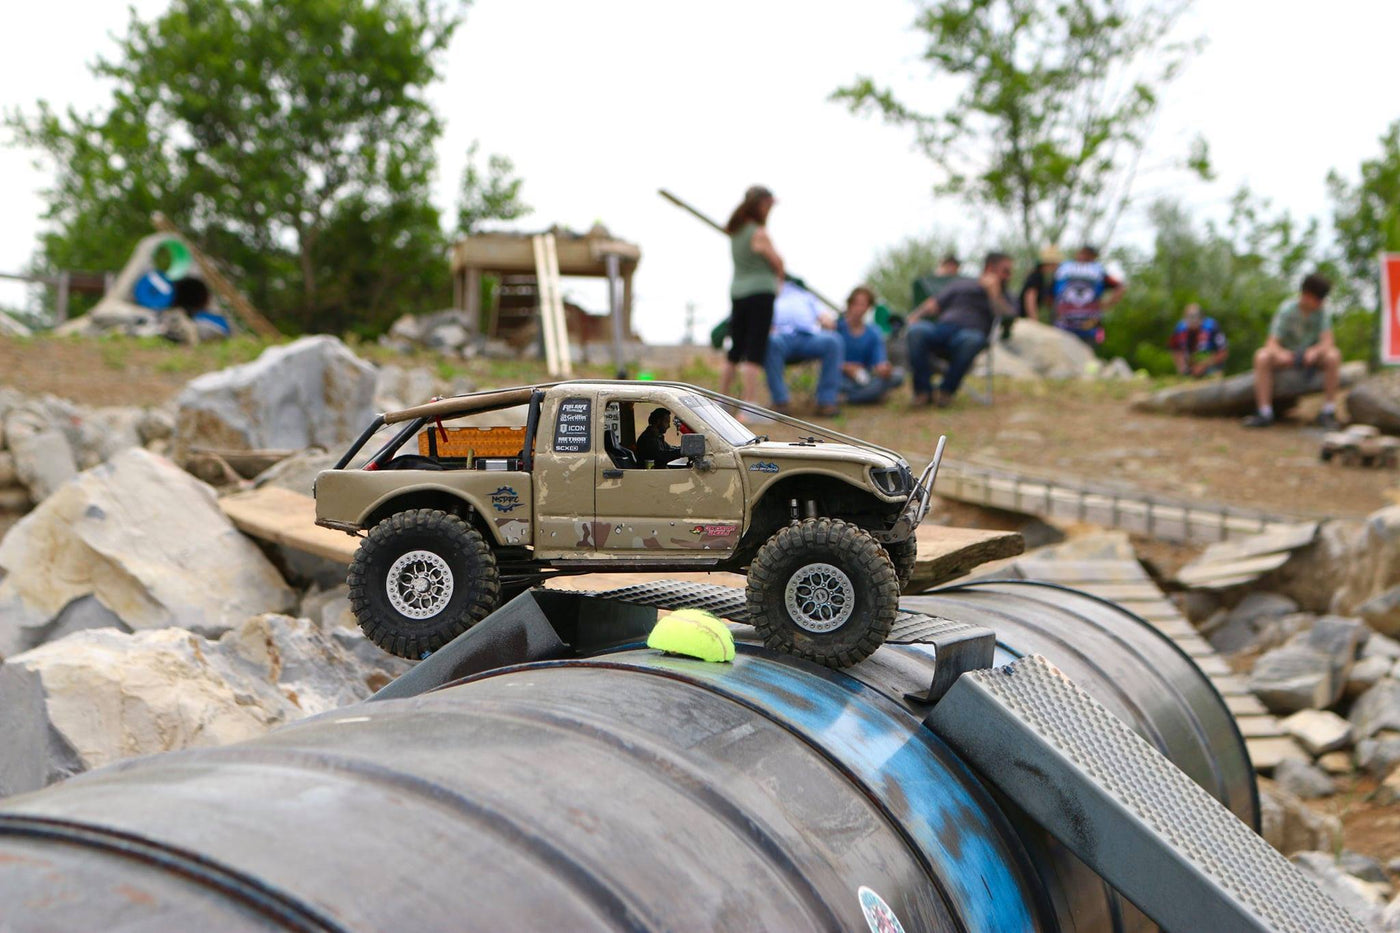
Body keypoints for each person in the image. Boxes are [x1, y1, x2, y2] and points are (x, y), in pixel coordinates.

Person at [906, 252, 1014, 407]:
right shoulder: (961, 284)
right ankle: (923, 392)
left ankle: (946, 391)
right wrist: (914, 316)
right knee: (916, 331)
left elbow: (1008, 317)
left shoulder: (1005, 295)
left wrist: (994, 294)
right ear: (990, 268)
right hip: (942, 329)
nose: (1009, 276)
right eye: (1006, 271)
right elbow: (934, 303)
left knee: (971, 340)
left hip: (970, 334)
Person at [1244, 274, 1342, 429]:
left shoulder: (1323, 311)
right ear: (1307, 295)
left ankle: (1328, 411)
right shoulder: (1287, 309)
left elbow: (1328, 341)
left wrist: (1315, 351)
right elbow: (1271, 342)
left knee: (1334, 355)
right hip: (1288, 356)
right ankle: (1264, 412)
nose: (1321, 303)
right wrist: (1280, 354)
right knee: (1261, 356)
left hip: (1311, 358)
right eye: (1319, 299)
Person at [720, 186, 783, 416]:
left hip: (738, 291)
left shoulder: (735, 231)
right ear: (761, 205)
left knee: (734, 350)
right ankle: (749, 407)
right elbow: (777, 263)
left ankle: (723, 401)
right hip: (760, 293)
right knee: (754, 350)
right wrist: (780, 279)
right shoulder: (759, 233)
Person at [764, 278, 843, 416]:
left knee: (833, 341)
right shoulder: (767, 295)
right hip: (781, 338)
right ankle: (780, 402)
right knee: (770, 341)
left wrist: (826, 320)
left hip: (809, 337)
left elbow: (825, 316)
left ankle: (826, 401)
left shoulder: (806, 296)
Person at [837, 286, 900, 405]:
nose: (859, 308)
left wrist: (883, 369)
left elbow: (879, 360)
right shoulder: (837, 328)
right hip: (842, 377)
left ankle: (848, 398)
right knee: (834, 382)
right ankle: (871, 395)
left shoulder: (874, 332)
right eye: (856, 304)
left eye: (863, 304)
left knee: (897, 377)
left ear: (868, 307)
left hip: (865, 377)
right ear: (849, 305)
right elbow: (827, 362)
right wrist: (846, 367)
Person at [1051, 245, 1124, 344]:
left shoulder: (1099, 271)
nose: (1084, 256)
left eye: (1088, 255)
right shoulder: (1062, 268)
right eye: (1083, 253)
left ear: (1093, 257)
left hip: (1089, 327)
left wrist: (1106, 304)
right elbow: (1049, 291)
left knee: (1087, 355)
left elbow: (1120, 286)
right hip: (1063, 324)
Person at [1169, 303, 1228, 377]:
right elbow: (1175, 349)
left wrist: (1203, 365)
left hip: (1211, 368)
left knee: (1213, 375)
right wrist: (1181, 367)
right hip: (1190, 369)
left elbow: (1223, 352)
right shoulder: (1180, 329)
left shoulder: (1212, 327)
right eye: (1189, 318)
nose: (1193, 321)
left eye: (1195, 317)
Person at [1017, 245, 1064, 324]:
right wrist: (1034, 321)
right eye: (1055, 265)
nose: (1056, 267)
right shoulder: (1037, 276)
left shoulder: (1045, 278)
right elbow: (1030, 297)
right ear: (1048, 264)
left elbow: (1047, 300)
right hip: (1024, 319)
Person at [911, 254, 962, 318]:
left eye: (953, 265)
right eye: (947, 265)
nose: (950, 269)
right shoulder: (927, 283)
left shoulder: (961, 284)